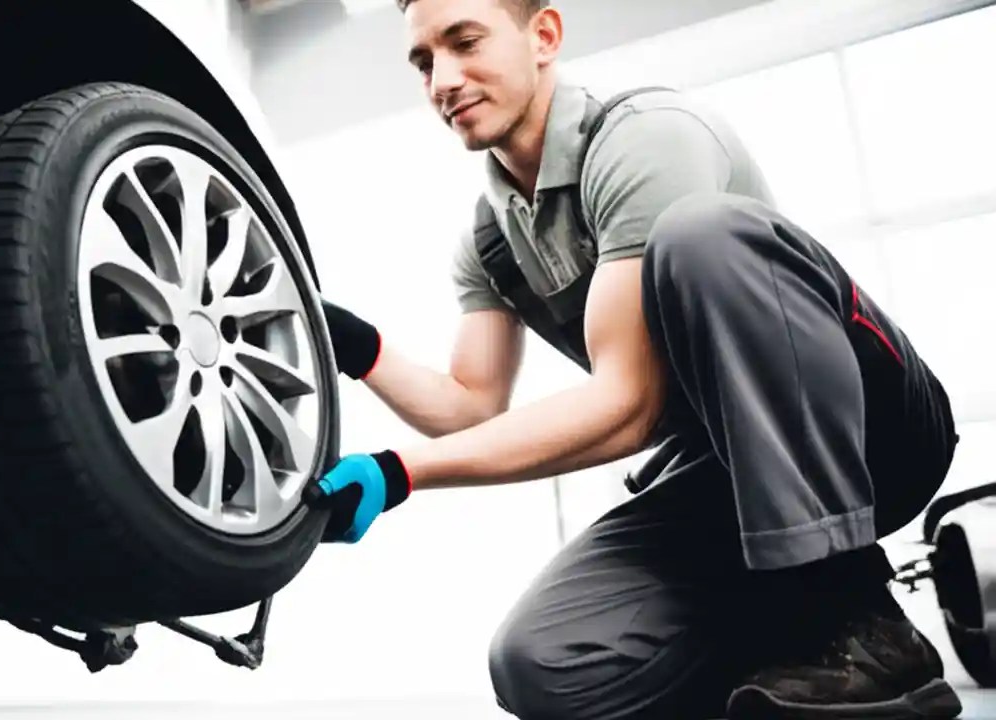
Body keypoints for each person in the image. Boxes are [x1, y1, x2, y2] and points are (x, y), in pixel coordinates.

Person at [306, 0, 966, 718]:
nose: (442, 81)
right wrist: (349, 344)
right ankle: (793, 673)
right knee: (541, 663)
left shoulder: (646, 141)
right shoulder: (492, 240)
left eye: (465, 43)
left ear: (543, 36)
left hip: (874, 432)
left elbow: (629, 405)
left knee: (701, 235)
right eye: (424, 62)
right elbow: (470, 405)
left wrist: (397, 473)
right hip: (727, 470)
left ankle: (852, 618)